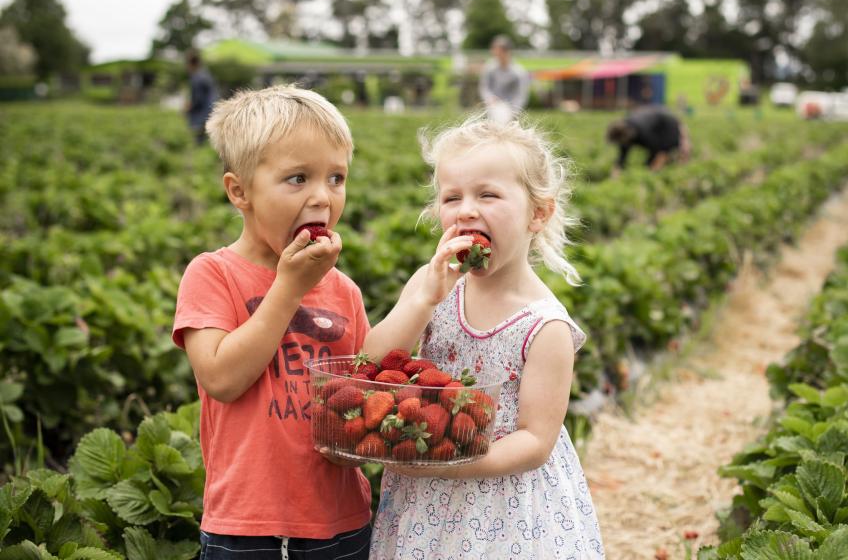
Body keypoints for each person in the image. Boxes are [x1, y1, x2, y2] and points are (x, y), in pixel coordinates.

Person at [362, 116, 605, 558]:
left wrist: (445, 462)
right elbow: (371, 364)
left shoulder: (545, 324)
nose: (466, 210)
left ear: (538, 213)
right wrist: (423, 301)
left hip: (501, 507)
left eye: (488, 195)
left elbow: (535, 441)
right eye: (451, 197)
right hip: (426, 500)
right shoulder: (431, 284)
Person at [171, 85, 372, 558]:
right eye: (298, 178)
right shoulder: (212, 274)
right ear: (239, 191)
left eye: (337, 178)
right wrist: (290, 287)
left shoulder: (344, 290)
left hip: (343, 522)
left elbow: (362, 391)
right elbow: (221, 378)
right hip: (246, 527)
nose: (323, 197)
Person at [606, 105, 692, 175]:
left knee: (659, 160)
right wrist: (618, 168)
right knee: (651, 164)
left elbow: (658, 149)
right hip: (657, 119)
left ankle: (681, 169)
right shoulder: (625, 129)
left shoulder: (644, 132)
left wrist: (652, 169)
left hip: (668, 124)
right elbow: (622, 154)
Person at [479, 35, 529, 124]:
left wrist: (514, 111)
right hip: (493, 107)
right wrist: (489, 99)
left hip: (511, 108)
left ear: (507, 52)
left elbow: (521, 94)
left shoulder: (519, 72)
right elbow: (484, 87)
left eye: (499, 52)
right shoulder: (490, 68)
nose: (495, 54)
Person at [185, 49, 217, 144]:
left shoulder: (196, 78)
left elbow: (198, 100)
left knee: (199, 141)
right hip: (211, 111)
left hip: (202, 115)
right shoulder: (205, 74)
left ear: (190, 64)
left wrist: (188, 108)